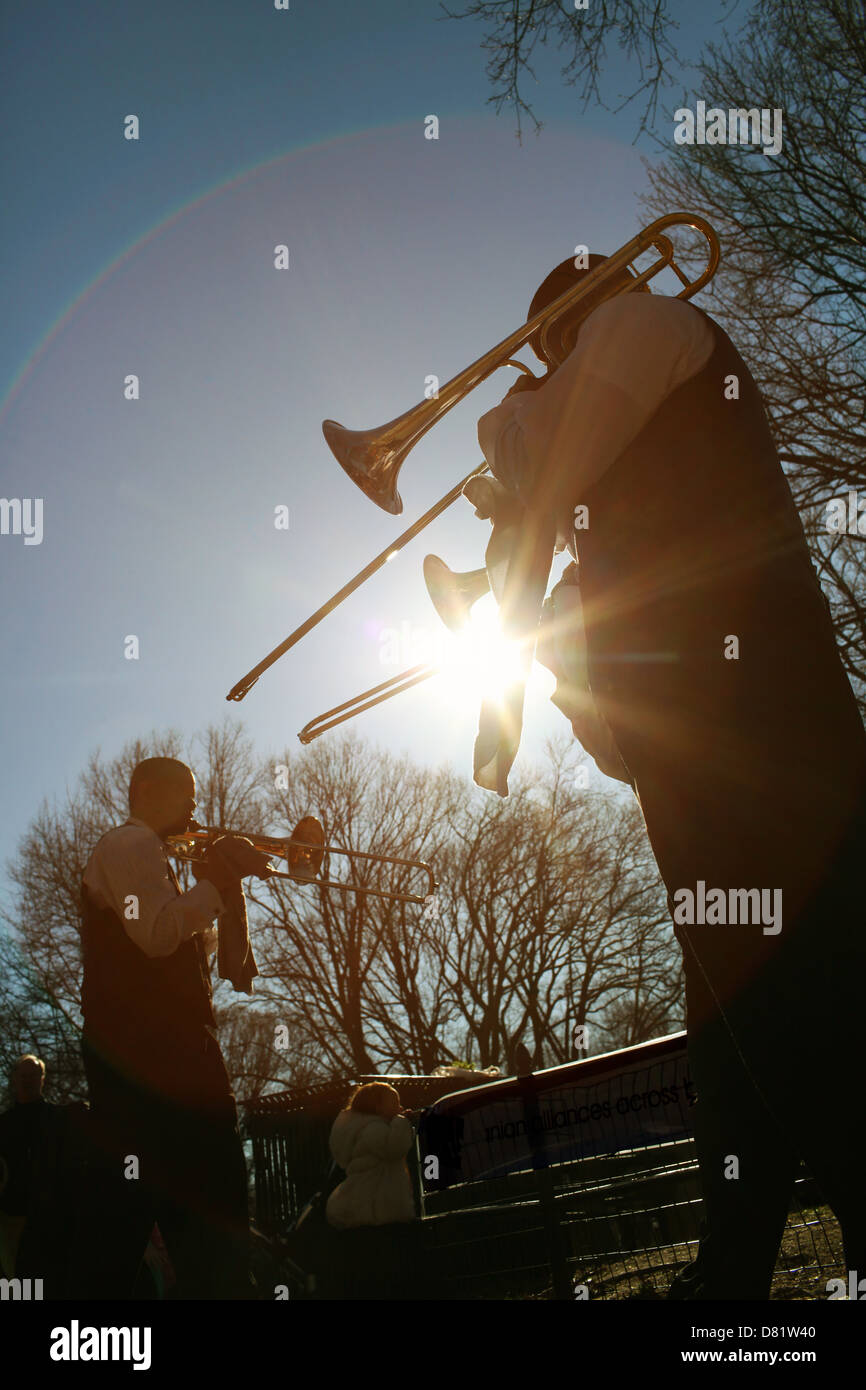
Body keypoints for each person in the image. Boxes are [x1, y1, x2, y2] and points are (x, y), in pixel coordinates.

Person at [474, 250, 866, 1300]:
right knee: (734, 1041)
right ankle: (725, 1280)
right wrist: (556, 668)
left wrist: (504, 436)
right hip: (695, 762)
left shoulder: (641, 324)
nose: (548, 356)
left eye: (550, 338)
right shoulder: (599, 500)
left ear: (572, 318)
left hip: (760, 734)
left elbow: (544, 458)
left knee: (798, 999)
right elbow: (612, 746)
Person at [76, 755, 265, 1299]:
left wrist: (224, 887)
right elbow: (158, 935)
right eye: (187, 793)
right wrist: (216, 878)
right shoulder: (128, 846)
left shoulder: (161, 864)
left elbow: (215, 957)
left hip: (159, 1065)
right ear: (145, 791)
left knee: (150, 1228)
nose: (195, 806)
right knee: (209, 1223)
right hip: (157, 1067)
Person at [326, 1082, 416, 1230]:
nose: (399, 1108)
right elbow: (393, 1148)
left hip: (367, 1201)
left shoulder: (364, 1127)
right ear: (377, 1107)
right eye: (394, 1103)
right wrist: (402, 1122)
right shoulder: (372, 1129)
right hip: (376, 1207)